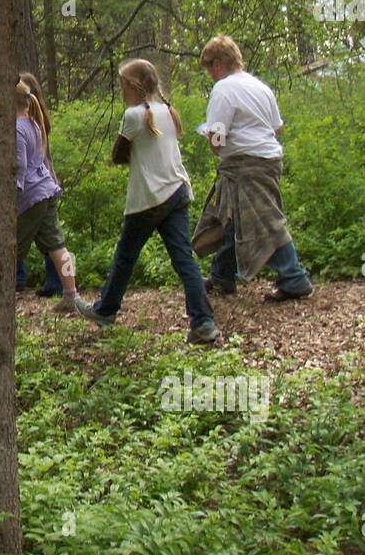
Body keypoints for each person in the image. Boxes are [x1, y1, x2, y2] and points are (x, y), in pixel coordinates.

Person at [74, 60, 222, 344]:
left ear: (133, 86)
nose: (121, 91)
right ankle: (204, 323)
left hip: (149, 197)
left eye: (122, 86)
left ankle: (105, 310)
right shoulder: (167, 111)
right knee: (183, 259)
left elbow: (118, 155)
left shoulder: (133, 115)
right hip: (177, 190)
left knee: (126, 256)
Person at [191, 36, 313, 302]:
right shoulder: (260, 86)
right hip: (267, 158)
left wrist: (213, 140)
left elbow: (218, 138)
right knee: (231, 217)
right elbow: (276, 127)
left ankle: (294, 278)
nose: (210, 74)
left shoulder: (223, 89)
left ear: (219, 63)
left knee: (265, 220)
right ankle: (223, 276)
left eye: (210, 67)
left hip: (245, 163)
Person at [16, 80, 79, 313]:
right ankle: (71, 294)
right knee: (57, 245)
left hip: (31, 196)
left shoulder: (17, 128)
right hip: (48, 190)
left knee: (10, 246)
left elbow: (20, 165)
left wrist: (14, 192)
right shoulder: (34, 123)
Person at [15, 71, 64, 298]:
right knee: (54, 242)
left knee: (18, 239)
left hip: (34, 188)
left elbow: (35, 159)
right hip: (45, 185)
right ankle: (62, 285)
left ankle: (53, 282)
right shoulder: (34, 122)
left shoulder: (30, 123)